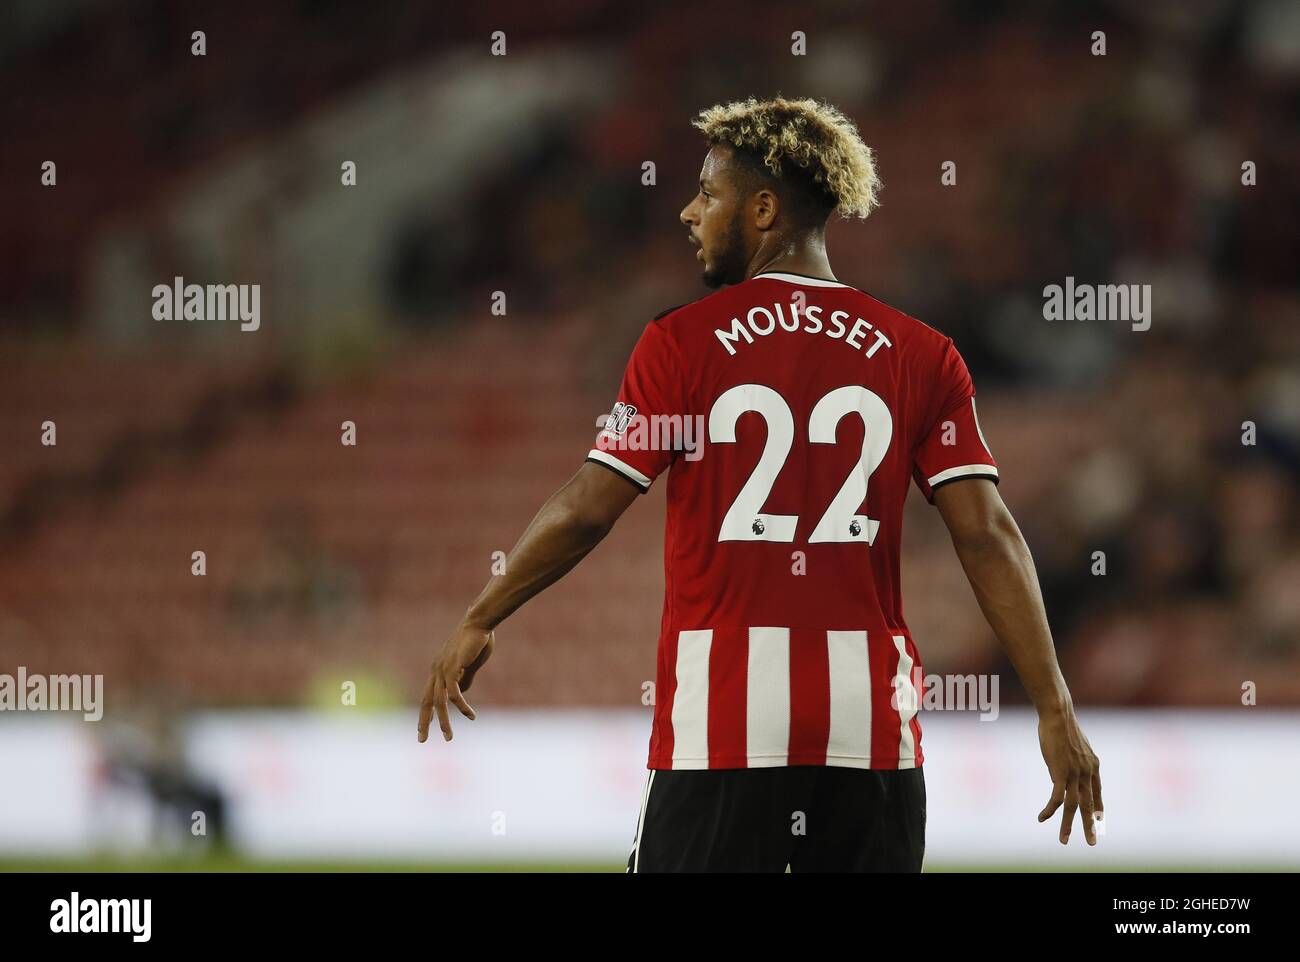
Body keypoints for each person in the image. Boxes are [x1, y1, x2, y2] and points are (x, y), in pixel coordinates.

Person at [418, 96, 1101, 872]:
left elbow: (587, 508)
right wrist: (1054, 707)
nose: (689, 212)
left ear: (765, 208)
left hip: (721, 727)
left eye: (708, 193)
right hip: (867, 732)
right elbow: (987, 534)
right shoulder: (923, 354)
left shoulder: (681, 345)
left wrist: (483, 614)